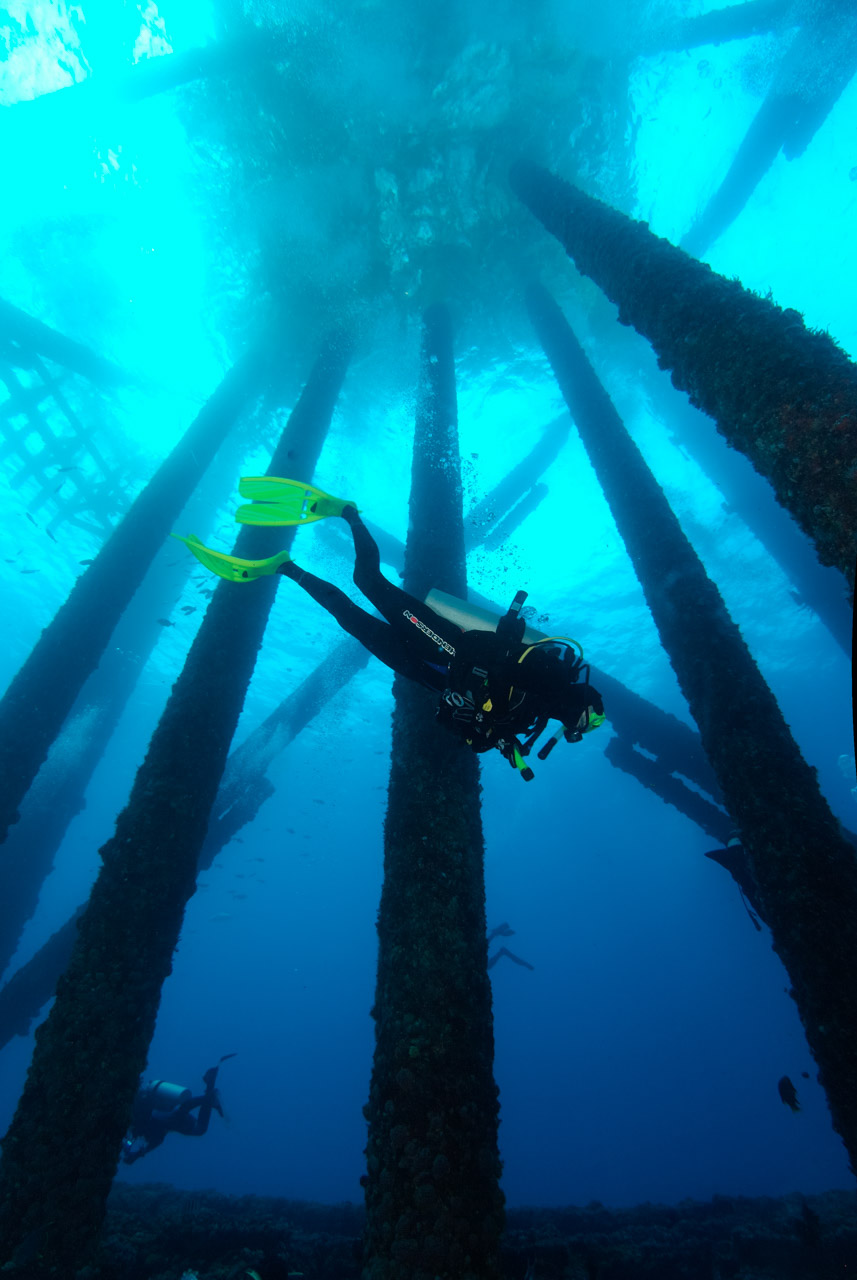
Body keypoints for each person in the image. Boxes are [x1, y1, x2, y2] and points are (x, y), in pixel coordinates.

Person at [174, 478, 605, 781]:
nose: (576, 730)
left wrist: (474, 725)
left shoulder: (527, 721)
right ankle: (349, 513)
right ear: (581, 706)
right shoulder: (550, 675)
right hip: (447, 647)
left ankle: (284, 567)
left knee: (350, 620)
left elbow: (467, 734)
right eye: (584, 723)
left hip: (425, 673)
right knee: (368, 582)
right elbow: (502, 657)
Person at [121, 1059, 230, 1164]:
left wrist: (136, 1154)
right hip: (167, 1121)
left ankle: (208, 1097)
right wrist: (136, 1155)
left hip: (160, 1117)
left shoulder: (137, 1121)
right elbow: (154, 1141)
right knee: (199, 1129)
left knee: (180, 1114)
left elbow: (151, 1138)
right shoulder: (147, 1133)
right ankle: (209, 1092)